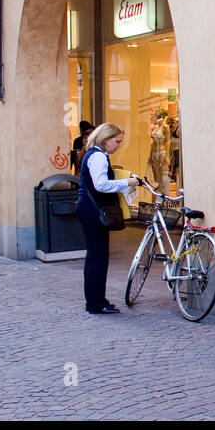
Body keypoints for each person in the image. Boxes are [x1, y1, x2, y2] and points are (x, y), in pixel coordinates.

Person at [76, 123, 140, 315]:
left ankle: (95, 300)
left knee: (95, 256)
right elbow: (101, 185)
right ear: (106, 139)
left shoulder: (95, 155)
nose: (119, 145)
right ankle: (96, 302)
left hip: (88, 208)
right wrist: (127, 182)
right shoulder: (98, 157)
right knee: (98, 257)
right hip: (92, 210)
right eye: (117, 141)